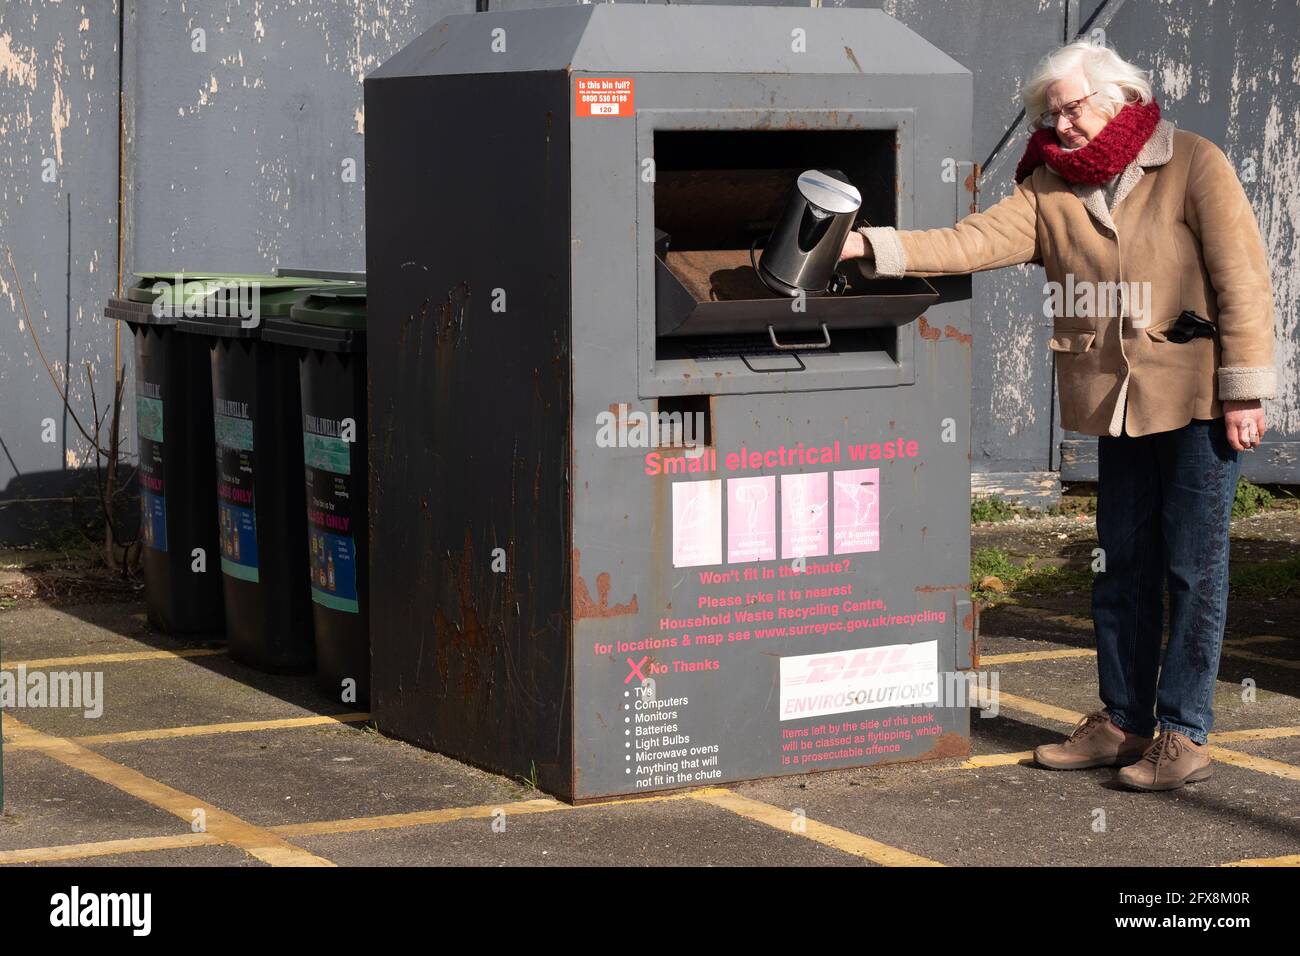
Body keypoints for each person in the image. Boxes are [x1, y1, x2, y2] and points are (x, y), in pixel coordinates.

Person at [839, 37, 1278, 792]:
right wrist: (870, 245)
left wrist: (1245, 388)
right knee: (1121, 569)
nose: (1062, 125)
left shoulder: (1193, 162)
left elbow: (1243, 276)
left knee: (1192, 570)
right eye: (1051, 113)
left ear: (1118, 98)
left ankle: (1183, 732)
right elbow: (970, 240)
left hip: (1199, 395)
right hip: (1116, 404)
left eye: (1071, 108)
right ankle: (1123, 720)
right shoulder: (1048, 186)